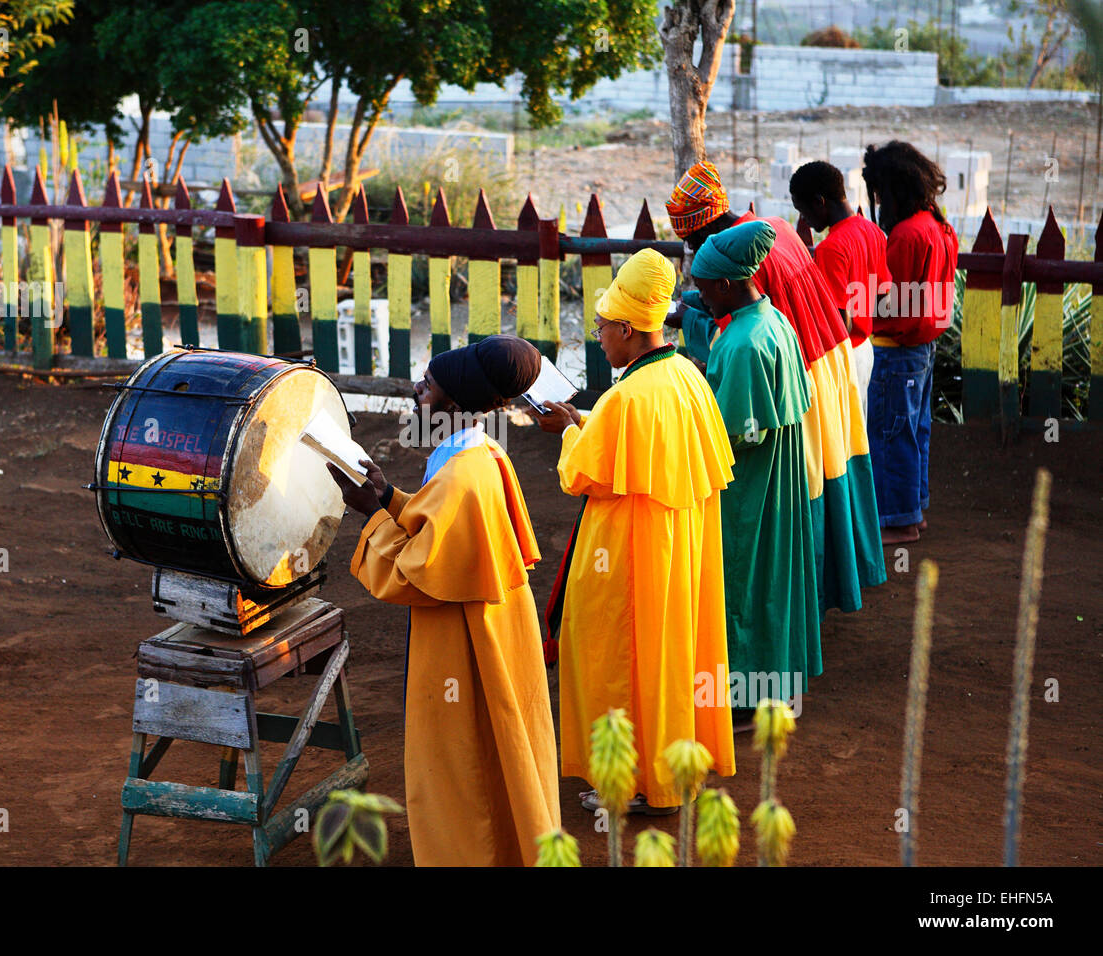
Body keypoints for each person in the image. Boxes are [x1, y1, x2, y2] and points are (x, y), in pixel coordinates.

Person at [327, 334, 561, 866]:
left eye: (428, 384)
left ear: (453, 403)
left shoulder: (460, 473)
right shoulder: (481, 449)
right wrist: (388, 497)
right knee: (497, 745)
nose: (417, 390)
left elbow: (417, 573)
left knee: (463, 762)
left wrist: (373, 517)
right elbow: (444, 529)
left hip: (464, 640)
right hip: (494, 627)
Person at [527, 248, 736, 812]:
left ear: (626, 328)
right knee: (669, 658)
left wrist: (566, 433)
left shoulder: (625, 397)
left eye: (600, 327)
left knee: (616, 658)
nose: (597, 337)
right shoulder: (685, 375)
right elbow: (646, 444)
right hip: (677, 550)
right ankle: (669, 774)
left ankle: (632, 780)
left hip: (628, 553)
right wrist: (582, 420)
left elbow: (583, 474)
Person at [666, 160, 886, 617]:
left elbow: (736, 334)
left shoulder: (740, 261)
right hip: (834, 356)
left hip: (798, 379)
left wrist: (685, 317)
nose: (693, 252)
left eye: (691, 242)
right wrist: (692, 305)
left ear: (702, 232)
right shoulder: (775, 228)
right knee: (836, 467)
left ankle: (803, 600)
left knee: (802, 484)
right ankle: (842, 582)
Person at [683, 220, 822, 720]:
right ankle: (778, 683)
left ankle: (742, 701)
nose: (700, 299)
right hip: (780, 479)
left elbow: (734, 432)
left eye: (702, 289)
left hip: (748, 486)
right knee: (774, 580)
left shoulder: (741, 343)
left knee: (739, 582)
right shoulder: (774, 322)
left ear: (724, 284)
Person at [861, 141, 960, 544]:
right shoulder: (938, 226)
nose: (878, 202)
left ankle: (899, 521)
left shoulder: (905, 235)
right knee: (914, 430)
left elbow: (889, 300)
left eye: (880, 193)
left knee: (889, 434)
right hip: (923, 347)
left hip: (895, 348)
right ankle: (913, 510)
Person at [789, 160, 892, 418]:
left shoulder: (831, 248)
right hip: (865, 351)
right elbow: (883, 295)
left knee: (840, 442)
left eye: (803, 211)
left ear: (819, 202)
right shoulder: (873, 232)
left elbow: (837, 320)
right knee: (859, 439)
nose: (804, 219)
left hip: (841, 357)